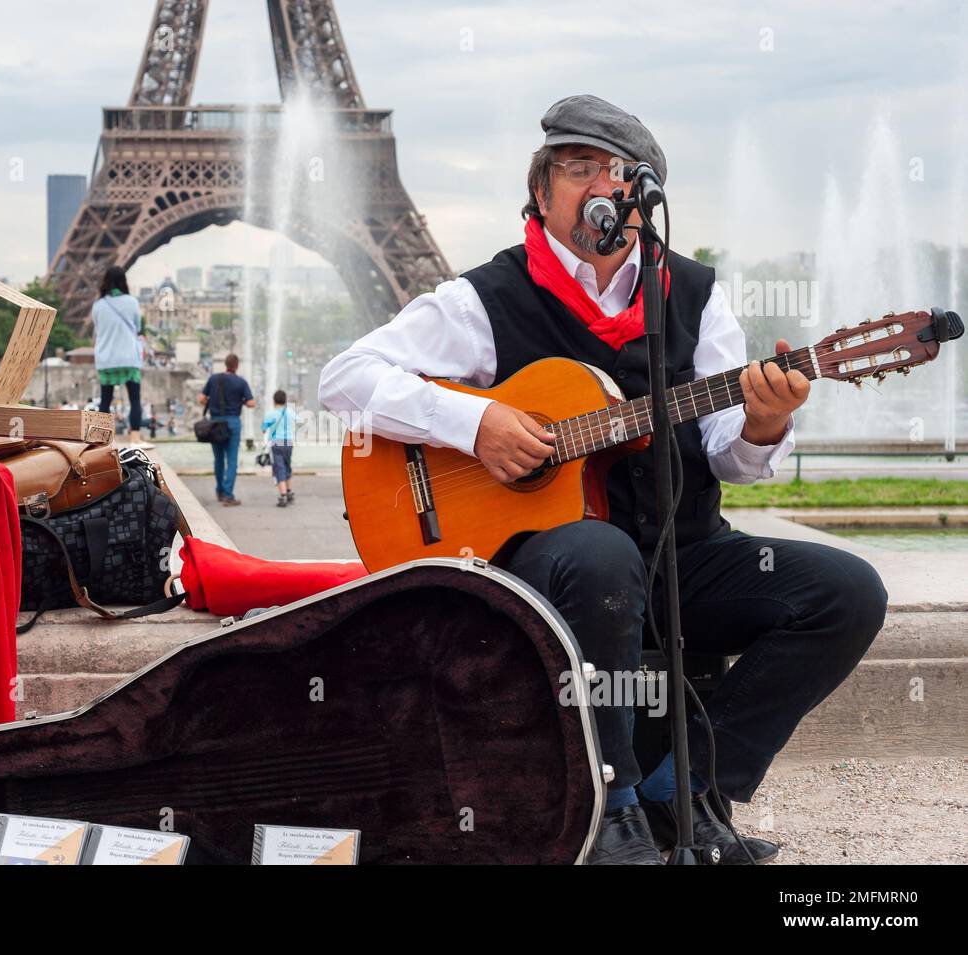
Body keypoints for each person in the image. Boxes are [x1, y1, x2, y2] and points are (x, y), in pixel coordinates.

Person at [319, 94, 888, 865]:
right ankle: (609, 808)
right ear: (542, 189)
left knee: (846, 591)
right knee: (599, 552)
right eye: (575, 166)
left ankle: (686, 787)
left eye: (617, 173)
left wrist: (763, 423)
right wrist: (474, 424)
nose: (596, 184)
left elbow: (729, 456)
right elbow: (344, 379)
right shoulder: (486, 297)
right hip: (551, 568)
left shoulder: (693, 293)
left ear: (641, 198)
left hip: (681, 554)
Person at [92, 265, 144, 440]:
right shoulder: (132, 302)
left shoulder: (98, 305)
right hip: (129, 357)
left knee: (105, 400)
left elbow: (99, 329)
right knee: (134, 399)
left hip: (106, 359)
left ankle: (102, 438)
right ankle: (135, 438)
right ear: (124, 281)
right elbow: (138, 328)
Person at [199, 353, 255, 506]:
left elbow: (201, 399)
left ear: (225, 364)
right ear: (236, 366)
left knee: (218, 459)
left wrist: (212, 400)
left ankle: (220, 491)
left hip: (215, 422)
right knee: (232, 460)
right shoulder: (241, 382)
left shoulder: (213, 379)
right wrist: (241, 401)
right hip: (232, 422)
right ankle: (229, 495)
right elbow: (251, 403)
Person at [261, 389, 295, 507]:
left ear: (274, 400)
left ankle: (283, 496)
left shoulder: (270, 414)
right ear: (285, 400)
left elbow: (264, 429)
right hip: (289, 443)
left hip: (276, 443)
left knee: (279, 468)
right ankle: (290, 492)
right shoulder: (290, 412)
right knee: (287, 466)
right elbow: (298, 423)